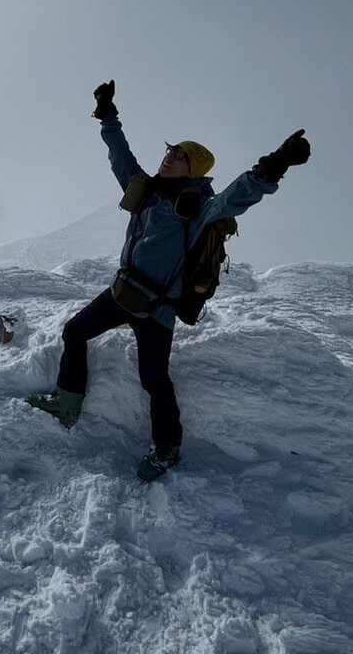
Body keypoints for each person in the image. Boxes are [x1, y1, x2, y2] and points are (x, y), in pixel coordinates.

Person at [27, 79, 310, 481]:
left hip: (157, 309)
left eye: (178, 156)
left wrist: (276, 163)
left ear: (193, 168)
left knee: (154, 380)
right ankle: (68, 404)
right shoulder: (147, 192)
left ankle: (167, 449)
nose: (168, 157)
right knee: (74, 331)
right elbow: (120, 156)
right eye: (169, 151)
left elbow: (239, 195)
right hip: (122, 293)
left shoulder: (198, 208)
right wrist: (108, 114)